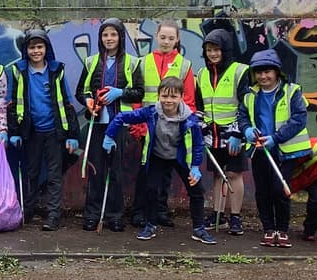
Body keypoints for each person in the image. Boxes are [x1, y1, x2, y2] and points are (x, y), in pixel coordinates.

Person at [106, 77, 214, 244]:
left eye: (173, 96)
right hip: (157, 156)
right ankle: (150, 225)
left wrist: (195, 167)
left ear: (181, 97)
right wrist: (109, 135)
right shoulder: (151, 112)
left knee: (197, 191)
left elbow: (198, 145)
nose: (168, 100)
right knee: (151, 190)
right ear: (158, 96)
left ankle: (199, 229)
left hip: (180, 158)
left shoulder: (190, 120)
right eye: (164, 96)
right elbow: (121, 117)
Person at [4, 29, 78, 231]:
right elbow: (11, 103)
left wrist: (72, 134)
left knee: (54, 174)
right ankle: (28, 211)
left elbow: (68, 102)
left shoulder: (56, 70)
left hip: (54, 131)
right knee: (31, 173)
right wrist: (15, 132)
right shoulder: (18, 71)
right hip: (30, 131)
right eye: (31, 47)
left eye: (39, 47)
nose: (36, 51)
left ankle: (53, 215)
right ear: (25, 50)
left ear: (46, 49)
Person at [74, 17, 143, 232]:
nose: (109, 38)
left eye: (113, 34)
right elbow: (80, 91)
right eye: (105, 35)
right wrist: (88, 101)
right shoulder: (92, 61)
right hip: (98, 123)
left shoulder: (133, 62)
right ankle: (93, 214)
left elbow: (139, 92)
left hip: (120, 125)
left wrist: (120, 93)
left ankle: (114, 215)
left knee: (117, 171)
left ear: (121, 37)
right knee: (97, 169)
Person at [238, 48, 311, 249]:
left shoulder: (292, 91)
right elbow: (243, 117)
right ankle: (269, 229)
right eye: (259, 72)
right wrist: (247, 131)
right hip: (259, 150)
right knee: (263, 192)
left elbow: (299, 119)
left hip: (285, 151)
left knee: (280, 190)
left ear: (277, 71)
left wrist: (276, 138)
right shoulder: (250, 95)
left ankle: (282, 229)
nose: (263, 76)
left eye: (267, 71)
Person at [129, 20, 196, 228]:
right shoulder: (142, 62)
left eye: (171, 38)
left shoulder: (185, 65)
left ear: (177, 40)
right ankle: (139, 212)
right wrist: (138, 126)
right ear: (156, 36)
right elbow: (136, 97)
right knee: (145, 172)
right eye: (163, 37)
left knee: (166, 172)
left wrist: (185, 126)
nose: (166, 41)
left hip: (172, 128)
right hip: (147, 128)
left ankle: (160, 211)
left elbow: (189, 100)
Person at [194, 28, 251, 235]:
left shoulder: (239, 71)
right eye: (209, 50)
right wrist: (200, 126)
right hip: (212, 134)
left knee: (234, 174)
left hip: (234, 134)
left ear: (225, 49)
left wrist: (238, 133)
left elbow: (246, 105)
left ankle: (236, 217)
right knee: (218, 175)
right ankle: (218, 214)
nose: (213, 54)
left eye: (217, 49)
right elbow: (199, 105)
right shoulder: (201, 74)